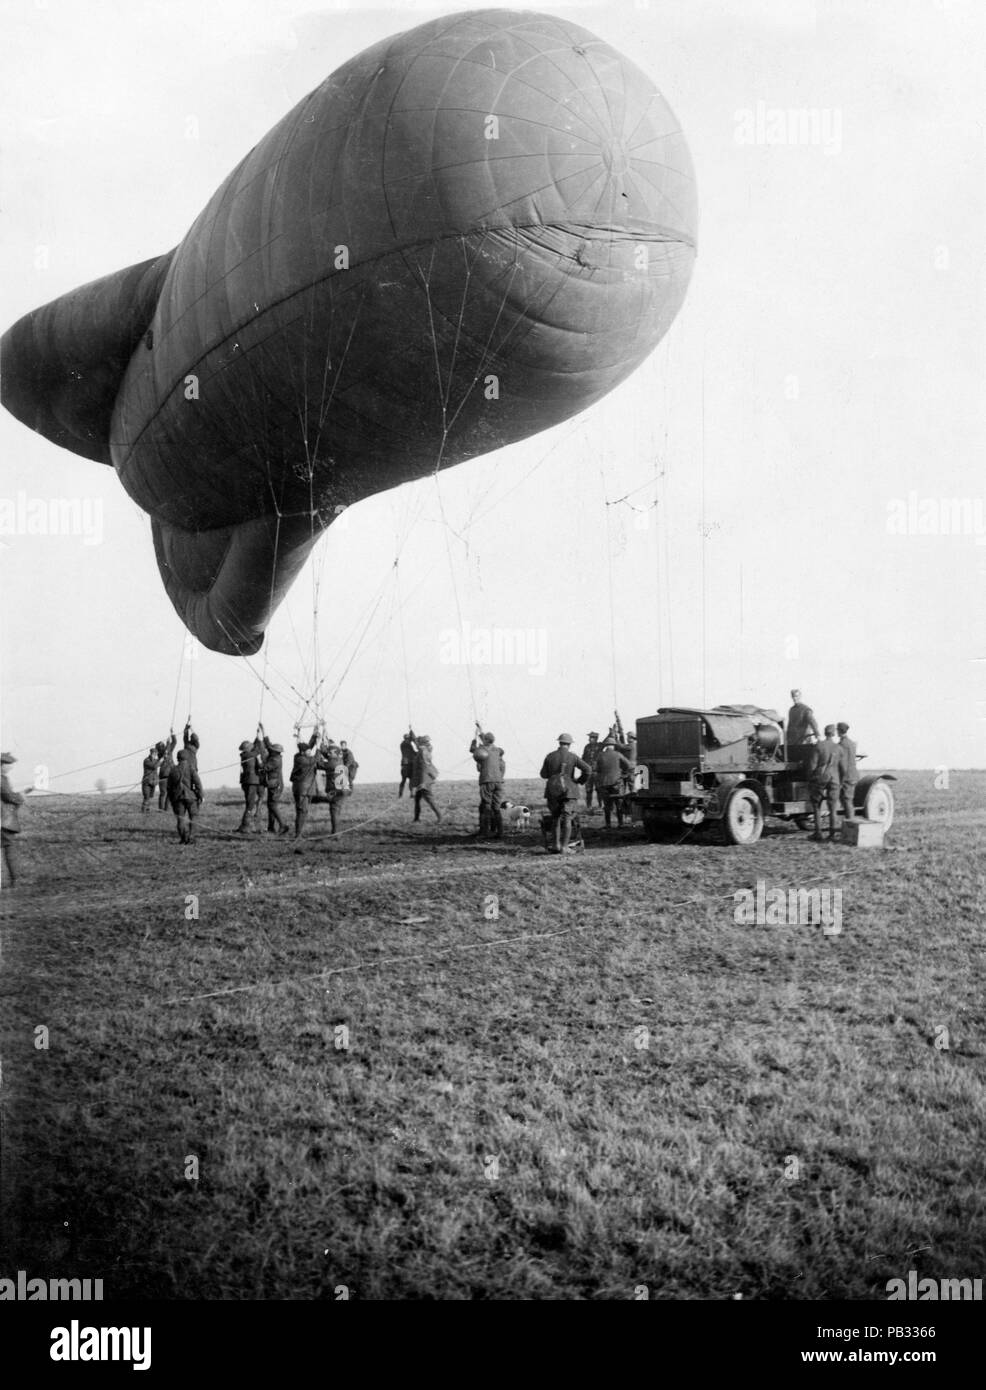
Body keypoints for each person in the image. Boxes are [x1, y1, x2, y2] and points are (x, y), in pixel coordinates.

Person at [539, 733, 591, 854]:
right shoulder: (572, 756)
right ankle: (564, 847)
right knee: (567, 818)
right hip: (569, 791)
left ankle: (556, 845)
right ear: (569, 744)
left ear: (559, 743)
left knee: (555, 818)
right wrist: (579, 781)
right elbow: (588, 770)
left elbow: (543, 775)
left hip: (553, 791)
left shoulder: (550, 756)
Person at [808, 724, 846, 842]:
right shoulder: (839, 748)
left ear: (825, 733)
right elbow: (843, 768)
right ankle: (832, 834)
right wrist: (841, 781)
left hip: (820, 778)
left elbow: (812, 765)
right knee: (833, 807)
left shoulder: (819, 746)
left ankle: (818, 833)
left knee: (816, 805)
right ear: (834, 734)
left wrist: (810, 778)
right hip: (834, 779)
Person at [469, 725, 505, 838]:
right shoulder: (497, 750)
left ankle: (485, 832)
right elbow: (487, 741)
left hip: (487, 781)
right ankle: (500, 832)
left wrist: (474, 739)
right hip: (498, 782)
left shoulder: (481, 750)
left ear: (485, 741)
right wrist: (480, 730)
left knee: (486, 806)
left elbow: (472, 749)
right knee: (496, 808)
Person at [290, 732, 325, 839]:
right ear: (302, 752)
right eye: (308, 751)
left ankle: (299, 832)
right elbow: (315, 758)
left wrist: (314, 737)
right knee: (302, 811)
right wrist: (318, 745)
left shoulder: (299, 756)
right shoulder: (303, 760)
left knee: (302, 811)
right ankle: (298, 834)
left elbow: (307, 748)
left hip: (304, 790)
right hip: (303, 790)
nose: (310, 752)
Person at [594, 736, 633, 830]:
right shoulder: (618, 754)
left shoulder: (600, 755)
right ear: (614, 745)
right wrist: (624, 774)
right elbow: (629, 766)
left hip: (604, 783)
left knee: (607, 805)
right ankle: (621, 823)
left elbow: (596, 769)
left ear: (605, 746)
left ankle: (608, 824)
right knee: (619, 803)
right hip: (617, 783)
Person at [167, 749, 203, 844]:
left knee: (180, 819)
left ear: (178, 758)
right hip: (191, 797)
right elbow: (198, 783)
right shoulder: (191, 768)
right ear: (187, 758)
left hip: (178, 798)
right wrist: (201, 795)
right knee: (194, 817)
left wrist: (171, 799)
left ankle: (184, 838)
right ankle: (191, 838)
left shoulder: (173, 770)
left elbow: (169, 787)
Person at [1, 751, 26, 887]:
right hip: (4, 821)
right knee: (9, 848)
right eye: (8, 764)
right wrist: (20, 797)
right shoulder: (2, 779)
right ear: (1, 765)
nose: (10, 767)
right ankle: (15, 881)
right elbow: (8, 797)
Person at [260, 726, 289, 834]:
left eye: (272, 749)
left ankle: (282, 825)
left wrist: (259, 760)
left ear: (275, 752)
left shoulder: (275, 760)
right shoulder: (275, 755)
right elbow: (268, 744)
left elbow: (264, 768)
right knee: (270, 805)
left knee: (272, 805)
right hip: (274, 784)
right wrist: (264, 731)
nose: (270, 749)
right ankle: (271, 827)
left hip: (275, 785)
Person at [409, 733, 442, 823]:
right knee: (417, 800)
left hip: (424, 781)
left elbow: (425, 768)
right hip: (421, 780)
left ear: (422, 743)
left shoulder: (423, 752)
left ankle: (440, 817)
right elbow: (417, 744)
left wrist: (422, 783)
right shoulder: (425, 750)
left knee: (430, 800)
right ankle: (416, 819)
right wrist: (413, 735)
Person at [236, 735, 265, 832]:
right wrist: (259, 742)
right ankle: (245, 826)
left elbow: (254, 750)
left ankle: (245, 825)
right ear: (248, 748)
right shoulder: (250, 755)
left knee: (250, 803)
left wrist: (256, 737)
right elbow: (258, 752)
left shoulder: (245, 755)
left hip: (246, 782)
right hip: (252, 782)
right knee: (251, 804)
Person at [321, 740, 349, 835]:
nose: (328, 753)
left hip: (336, 791)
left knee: (334, 812)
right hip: (342, 790)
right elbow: (326, 753)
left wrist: (317, 748)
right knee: (337, 811)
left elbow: (317, 763)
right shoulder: (339, 760)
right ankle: (337, 832)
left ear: (335, 754)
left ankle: (335, 833)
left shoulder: (331, 763)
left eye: (330, 752)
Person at [787, 689, 820, 764]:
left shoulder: (805, 710)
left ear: (800, 696)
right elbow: (789, 725)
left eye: (796, 696)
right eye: (793, 696)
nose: (795, 698)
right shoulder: (791, 710)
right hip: (793, 742)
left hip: (803, 741)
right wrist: (787, 739)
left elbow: (813, 722)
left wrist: (817, 735)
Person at [836, 722, 859, 822]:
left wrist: (841, 780)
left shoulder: (842, 744)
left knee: (847, 800)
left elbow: (843, 764)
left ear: (838, 731)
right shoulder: (851, 743)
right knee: (847, 800)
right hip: (852, 775)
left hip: (846, 777)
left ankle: (851, 824)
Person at [157, 731, 177, 810]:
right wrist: (168, 742)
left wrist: (172, 734)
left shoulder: (168, 751)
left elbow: (174, 742)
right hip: (164, 776)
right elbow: (165, 751)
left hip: (171, 774)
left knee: (169, 793)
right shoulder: (160, 754)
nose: (163, 746)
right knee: (163, 793)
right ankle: (161, 809)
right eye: (162, 746)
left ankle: (166, 809)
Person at [581, 732, 601, 808]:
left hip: (597, 772)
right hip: (588, 772)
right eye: (589, 737)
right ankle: (589, 806)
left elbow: (606, 741)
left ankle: (600, 805)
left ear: (595, 738)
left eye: (591, 737)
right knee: (588, 790)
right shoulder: (587, 747)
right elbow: (583, 758)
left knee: (599, 790)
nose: (589, 739)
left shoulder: (599, 746)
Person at [140, 746, 161, 812]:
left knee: (150, 797)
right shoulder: (146, 760)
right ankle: (143, 811)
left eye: (156, 754)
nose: (155, 755)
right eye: (154, 753)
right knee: (146, 797)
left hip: (153, 782)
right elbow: (154, 766)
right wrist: (160, 760)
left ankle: (147, 810)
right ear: (151, 753)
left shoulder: (156, 760)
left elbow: (159, 764)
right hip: (146, 782)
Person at [398, 730, 415, 797]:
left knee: (405, 780)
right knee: (409, 779)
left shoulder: (403, 744)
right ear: (406, 739)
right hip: (408, 764)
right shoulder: (405, 744)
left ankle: (401, 794)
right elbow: (413, 752)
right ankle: (408, 794)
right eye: (408, 738)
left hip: (405, 764)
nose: (408, 740)